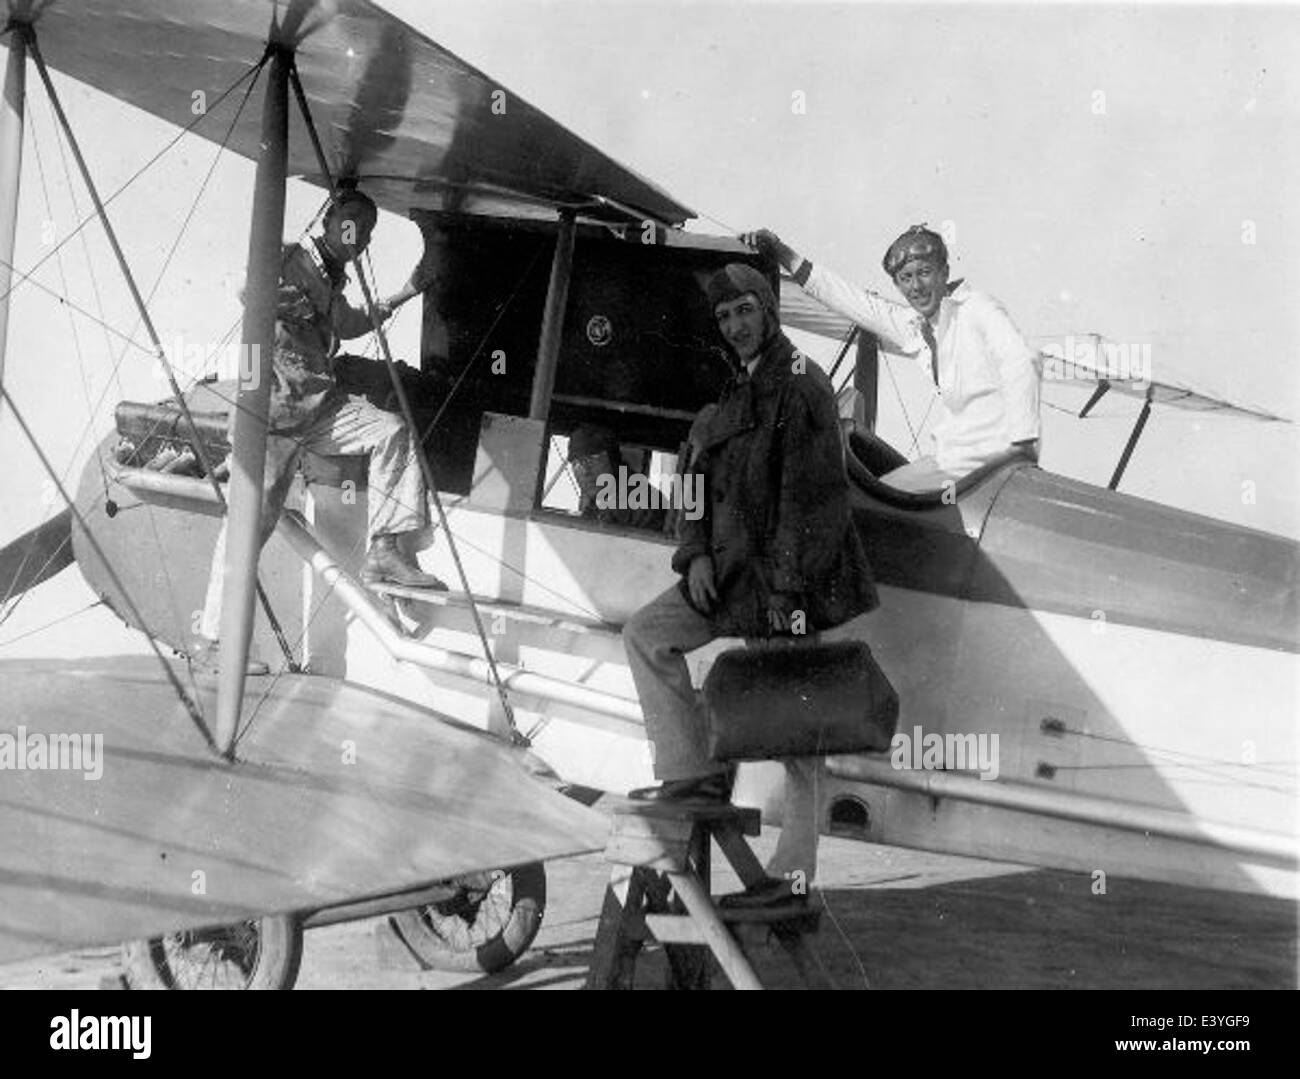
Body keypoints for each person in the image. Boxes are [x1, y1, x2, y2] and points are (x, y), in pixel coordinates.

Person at [622, 263, 877, 908]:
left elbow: (814, 502)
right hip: (730, 575)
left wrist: (788, 598)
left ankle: (792, 879)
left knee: (793, 732)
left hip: (786, 585)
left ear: (768, 310)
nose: (734, 324)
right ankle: (693, 776)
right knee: (647, 634)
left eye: (744, 310)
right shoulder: (736, 391)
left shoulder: (802, 386)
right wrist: (695, 553)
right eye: (724, 316)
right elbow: (697, 475)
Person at [194, 187, 444, 674]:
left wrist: (408, 290)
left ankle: (387, 550)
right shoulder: (289, 258)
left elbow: (348, 325)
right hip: (271, 415)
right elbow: (247, 286)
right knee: (248, 528)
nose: (361, 238)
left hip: (318, 408)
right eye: (352, 225)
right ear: (328, 221)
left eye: (369, 233)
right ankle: (213, 641)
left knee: (391, 431)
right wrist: (285, 297)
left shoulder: (333, 281)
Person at [745, 226, 1041, 493]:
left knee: (854, 505)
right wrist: (782, 252)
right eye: (906, 278)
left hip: (991, 463)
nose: (916, 287)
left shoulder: (977, 307)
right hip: (952, 459)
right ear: (898, 284)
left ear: (944, 272)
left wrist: (1022, 444)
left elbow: (1021, 359)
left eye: (924, 273)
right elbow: (853, 301)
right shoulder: (914, 325)